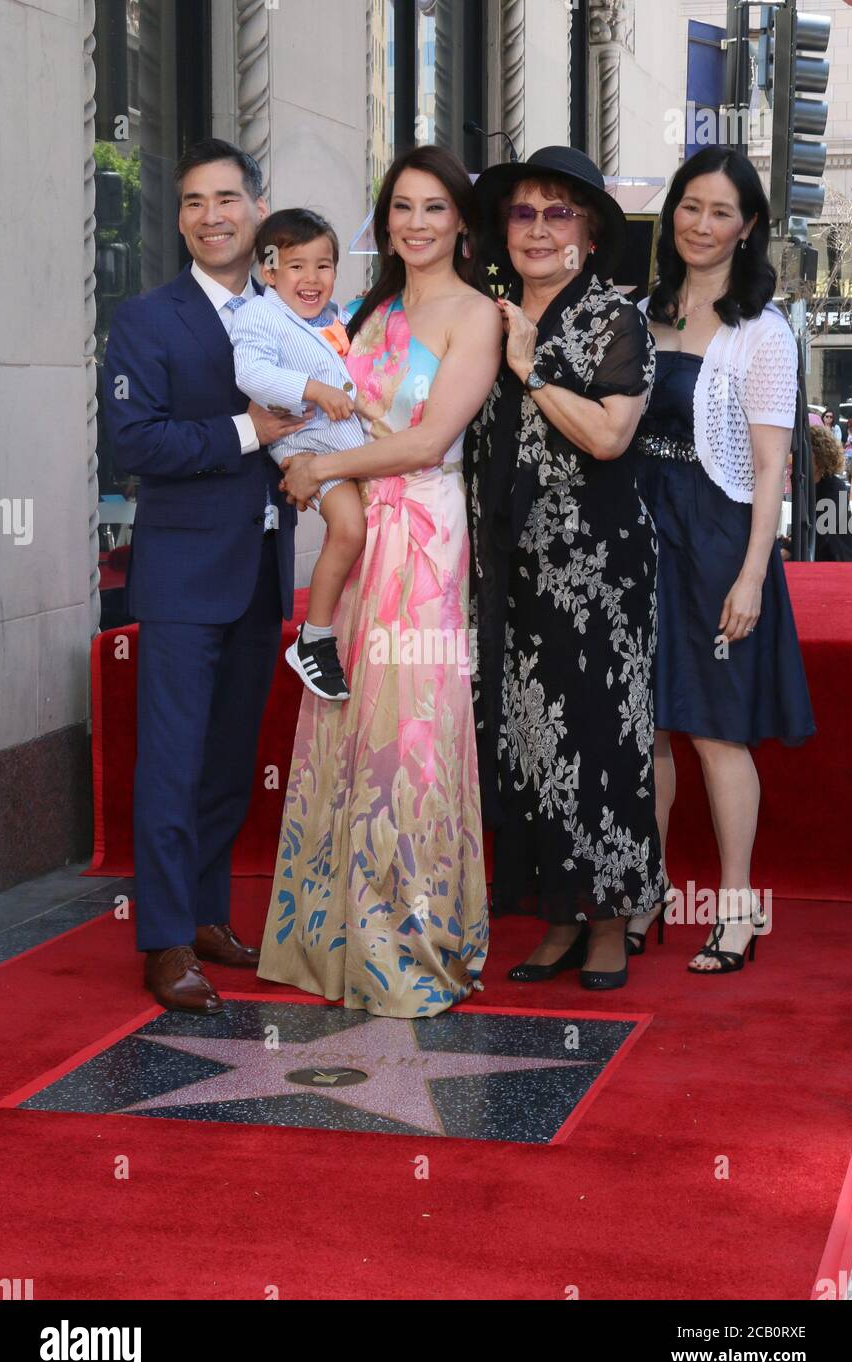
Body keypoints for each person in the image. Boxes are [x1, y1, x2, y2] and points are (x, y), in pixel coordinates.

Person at [257, 145, 502, 1017]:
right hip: (359, 536)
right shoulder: (372, 310)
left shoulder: (476, 317)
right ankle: (332, 943)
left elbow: (429, 441)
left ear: (462, 221)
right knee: (343, 725)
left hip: (426, 538)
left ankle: (412, 944)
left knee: (411, 735)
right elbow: (335, 404)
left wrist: (325, 476)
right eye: (401, 207)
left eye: (435, 207)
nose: (416, 223)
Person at [103, 138, 312, 1015]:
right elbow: (132, 444)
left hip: (263, 574)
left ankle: (207, 916)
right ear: (181, 218)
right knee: (174, 765)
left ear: (258, 210)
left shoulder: (289, 311)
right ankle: (161, 940)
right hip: (186, 576)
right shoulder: (147, 320)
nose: (212, 216)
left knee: (230, 763)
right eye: (194, 202)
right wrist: (245, 434)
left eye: (228, 198)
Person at [466, 146, 662, 993]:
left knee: (603, 737)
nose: (539, 229)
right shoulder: (483, 314)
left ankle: (611, 919)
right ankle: (555, 916)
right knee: (527, 742)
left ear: (587, 232)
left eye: (558, 214)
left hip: (600, 574)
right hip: (508, 571)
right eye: (523, 213)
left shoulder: (617, 320)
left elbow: (611, 436)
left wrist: (532, 369)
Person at [625, 146, 815, 975]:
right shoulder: (640, 309)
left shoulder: (761, 331)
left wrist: (750, 572)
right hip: (636, 532)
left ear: (748, 229)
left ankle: (736, 907)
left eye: (721, 212)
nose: (701, 225)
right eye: (690, 207)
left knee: (715, 731)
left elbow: (772, 465)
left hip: (715, 535)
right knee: (649, 731)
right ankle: (645, 889)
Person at [231, 208, 367, 701]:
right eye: (296, 266)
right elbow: (252, 375)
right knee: (349, 528)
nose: (312, 278)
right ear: (268, 272)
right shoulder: (258, 315)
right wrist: (311, 388)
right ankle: (314, 638)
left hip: (355, 448)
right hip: (309, 447)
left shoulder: (336, 318)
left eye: (324, 265)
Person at [811, 424, 852, 561]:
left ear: (819, 458)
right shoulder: (809, 486)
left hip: (839, 561)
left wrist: (787, 550)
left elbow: (822, 535)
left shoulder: (835, 487)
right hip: (824, 556)